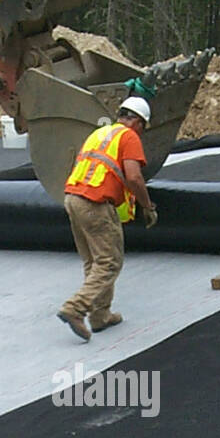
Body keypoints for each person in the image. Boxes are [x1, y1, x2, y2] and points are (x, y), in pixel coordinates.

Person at [56, 96, 159, 341]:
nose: (141, 133)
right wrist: (147, 205)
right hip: (95, 203)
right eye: (143, 127)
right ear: (137, 122)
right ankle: (75, 308)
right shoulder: (129, 136)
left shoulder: (99, 133)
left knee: (94, 261)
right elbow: (134, 177)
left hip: (73, 198)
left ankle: (100, 316)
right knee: (110, 262)